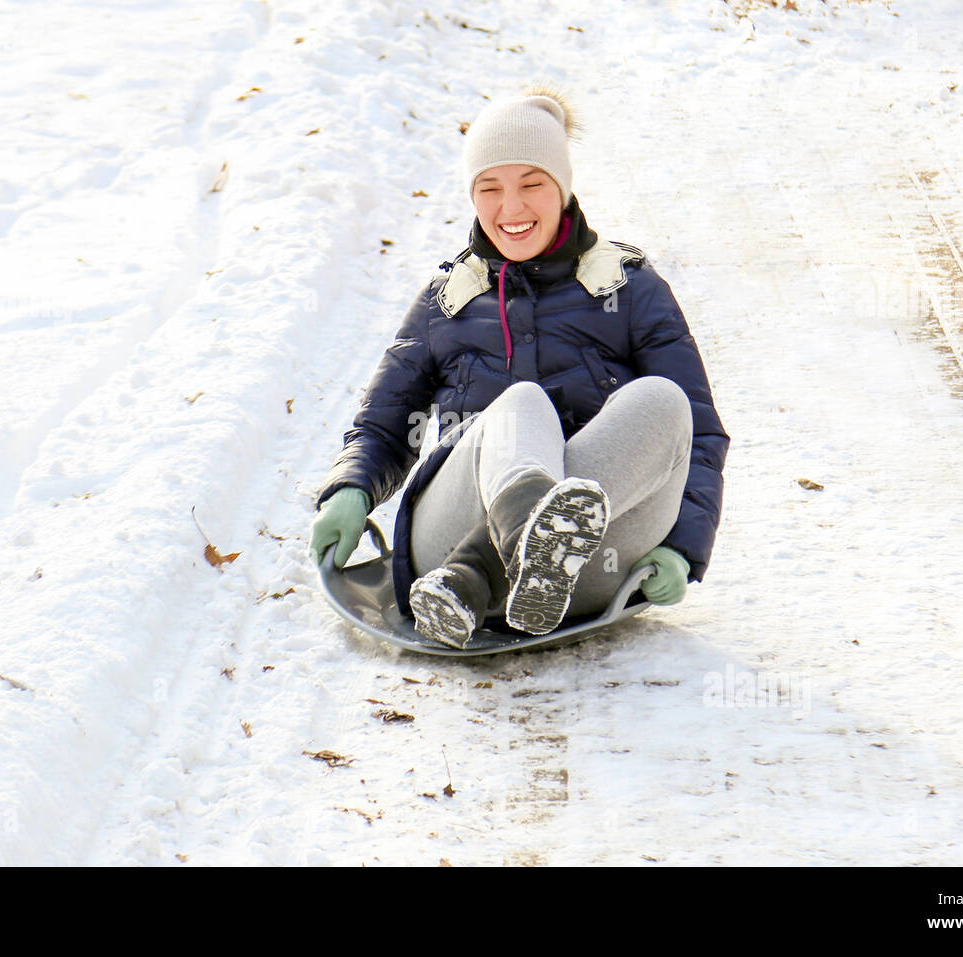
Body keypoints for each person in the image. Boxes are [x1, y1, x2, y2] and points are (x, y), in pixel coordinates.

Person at [309, 87, 728, 649]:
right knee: (523, 404)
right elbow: (385, 423)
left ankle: (487, 575)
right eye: (490, 188)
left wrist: (682, 545)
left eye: (532, 184)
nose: (512, 208)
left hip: (591, 565)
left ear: (563, 187)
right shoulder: (448, 299)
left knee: (665, 401)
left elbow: (697, 433)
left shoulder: (629, 289)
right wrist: (351, 488)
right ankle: (488, 559)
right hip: (446, 545)